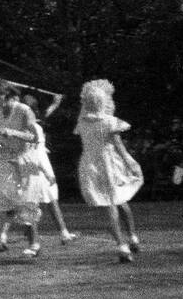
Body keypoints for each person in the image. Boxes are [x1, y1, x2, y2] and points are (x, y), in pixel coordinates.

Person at [73, 80, 144, 263]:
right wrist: (130, 162)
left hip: (90, 164)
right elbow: (118, 145)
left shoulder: (82, 123)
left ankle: (123, 244)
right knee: (117, 201)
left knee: (111, 204)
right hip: (107, 164)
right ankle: (129, 240)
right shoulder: (110, 122)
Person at [0, 84, 52, 260]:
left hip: (24, 160)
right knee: (3, 202)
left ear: (9, 95)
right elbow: (0, 138)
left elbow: (34, 137)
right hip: (6, 161)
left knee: (25, 205)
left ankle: (34, 244)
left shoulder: (24, 110)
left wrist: (13, 132)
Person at [22, 95, 76, 244]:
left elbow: (46, 114)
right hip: (36, 163)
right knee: (43, 201)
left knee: (43, 200)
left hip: (37, 163)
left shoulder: (34, 124)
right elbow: (47, 114)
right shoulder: (34, 124)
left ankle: (59, 233)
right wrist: (55, 103)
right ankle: (60, 233)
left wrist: (55, 103)